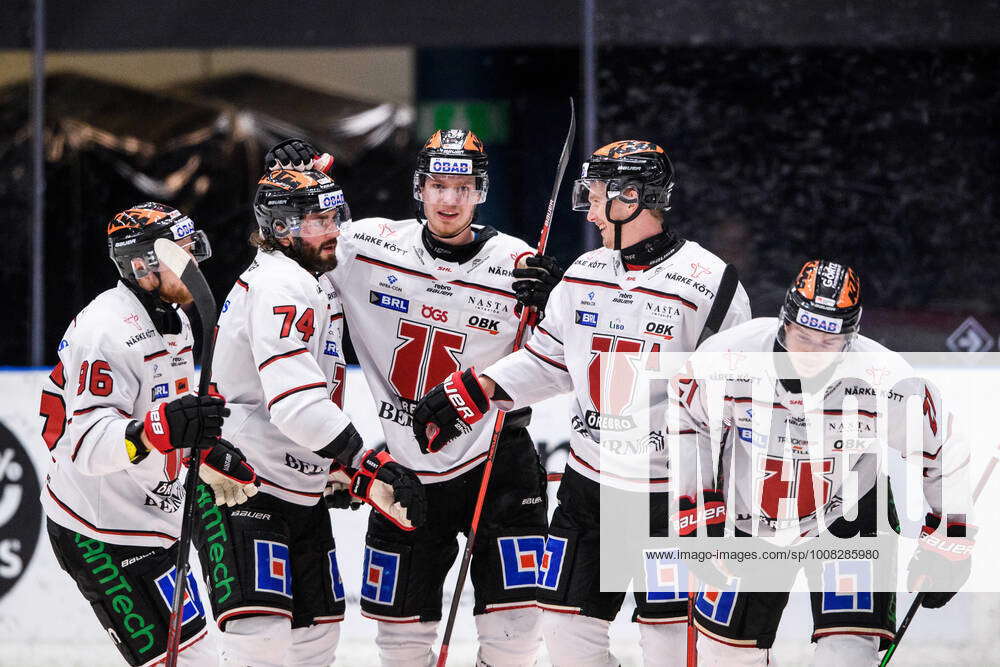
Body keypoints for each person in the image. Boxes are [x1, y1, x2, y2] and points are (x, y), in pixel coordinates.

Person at [412, 140, 752, 666]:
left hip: (670, 497)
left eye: (596, 197)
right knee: (567, 642)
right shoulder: (585, 270)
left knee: (669, 648)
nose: (589, 210)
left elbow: (739, 403)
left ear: (632, 197)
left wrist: (723, 495)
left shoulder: (712, 284)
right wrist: (476, 391)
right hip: (588, 491)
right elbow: (549, 361)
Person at [266, 130, 561, 666]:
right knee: (400, 642)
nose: (450, 200)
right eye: (438, 185)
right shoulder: (365, 245)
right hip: (405, 465)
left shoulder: (516, 262)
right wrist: (288, 183)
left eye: (464, 187)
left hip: (495, 463)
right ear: (418, 188)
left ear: (482, 192)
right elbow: (288, 251)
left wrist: (556, 301)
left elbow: (561, 359)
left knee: (516, 632)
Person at [671, 260, 973, 666]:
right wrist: (696, 507)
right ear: (784, 322)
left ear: (851, 337)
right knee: (726, 657)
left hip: (848, 517)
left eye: (827, 342)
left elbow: (942, 452)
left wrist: (949, 542)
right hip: (748, 515)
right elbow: (685, 418)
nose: (812, 352)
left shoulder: (887, 381)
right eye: (803, 336)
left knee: (846, 655)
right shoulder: (730, 357)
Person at [197, 168, 427, 667]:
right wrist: (363, 462)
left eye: (333, 216)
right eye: (318, 220)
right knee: (259, 639)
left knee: (315, 640)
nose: (334, 230)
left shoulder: (308, 280)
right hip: (244, 484)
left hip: (295, 485)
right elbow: (294, 402)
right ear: (281, 228)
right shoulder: (282, 282)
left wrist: (338, 469)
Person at [38, 202, 257, 665]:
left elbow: (161, 419)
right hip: (99, 530)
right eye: (180, 255)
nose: (193, 262)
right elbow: (85, 445)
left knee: (197, 655)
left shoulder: (173, 319)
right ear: (142, 267)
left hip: (149, 516)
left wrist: (204, 448)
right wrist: (164, 428)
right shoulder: (106, 330)